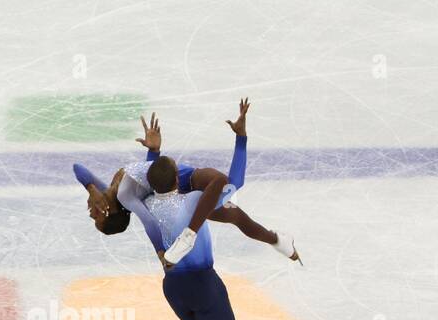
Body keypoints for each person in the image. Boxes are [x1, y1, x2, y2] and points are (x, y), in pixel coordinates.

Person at [72, 101, 300, 263]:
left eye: (93, 217)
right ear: (108, 211)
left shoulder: (109, 192)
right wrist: (162, 254)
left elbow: (78, 168)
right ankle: (276, 240)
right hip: (187, 188)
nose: (91, 214)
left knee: (238, 218)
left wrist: (91, 187)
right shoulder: (123, 197)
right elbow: (149, 221)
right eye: (97, 219)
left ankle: (278, 240)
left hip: (176, 186)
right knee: (231, 191)